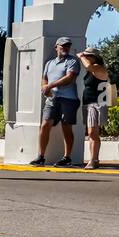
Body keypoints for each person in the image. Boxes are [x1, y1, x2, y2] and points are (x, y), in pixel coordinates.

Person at [29, 36, 81, 166]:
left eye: (67, 45)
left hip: (68, 99)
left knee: (66, 127)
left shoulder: (72, 61)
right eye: (62, 45)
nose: (65, 48)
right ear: (56, 47)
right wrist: (44, 88)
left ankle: (67, 157)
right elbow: (44, 78)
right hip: (52, 99)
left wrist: (50, 86)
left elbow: (69, 78)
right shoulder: (49, 63)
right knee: (45, 125)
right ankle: (41, 156)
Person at [78, 47, 110, 170]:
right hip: (88, 103)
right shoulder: (90, 70)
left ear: (94, 57)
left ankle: (93, 159)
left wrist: (81, 56)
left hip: (97, 104)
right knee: (91, 133)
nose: (85, 57)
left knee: (93, 132)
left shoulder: (98, 67)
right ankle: (93, 159)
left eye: (88, 55)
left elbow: (88, 67)